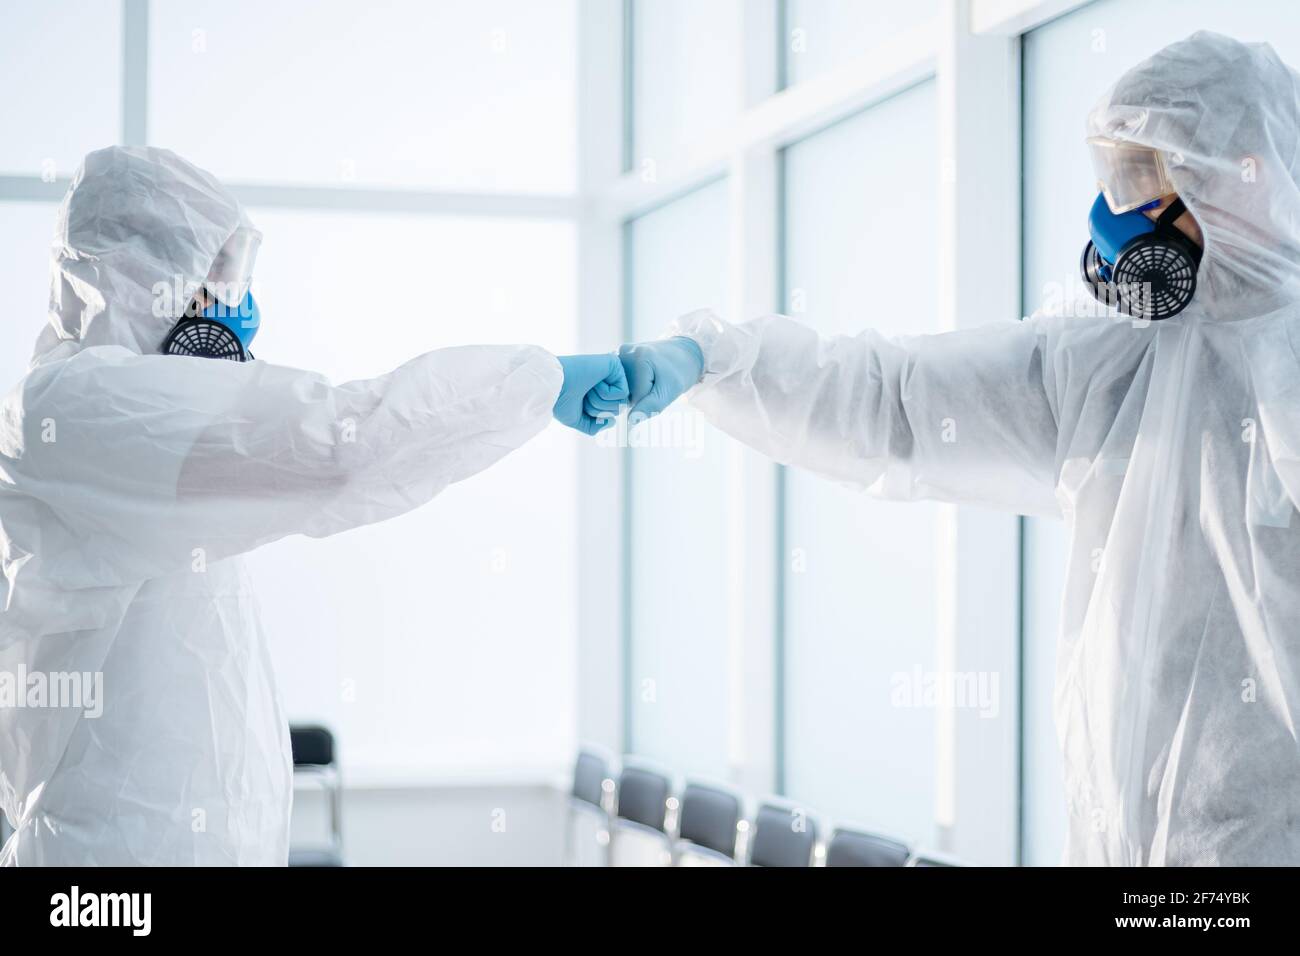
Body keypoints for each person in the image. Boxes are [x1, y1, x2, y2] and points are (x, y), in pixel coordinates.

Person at [607, 32, 1300, 866]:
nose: (1124, 214)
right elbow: (891, 398)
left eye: (1153, 177)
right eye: (1120, 178)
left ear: (1247, 172)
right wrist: (713, 360)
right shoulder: (1107, 370)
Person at [0, 145, 624, 865]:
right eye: (210, 277)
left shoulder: (119, 412)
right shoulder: (76, 404)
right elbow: (338, 449)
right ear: (141, 278)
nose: (226, 303)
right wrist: (537, 381)